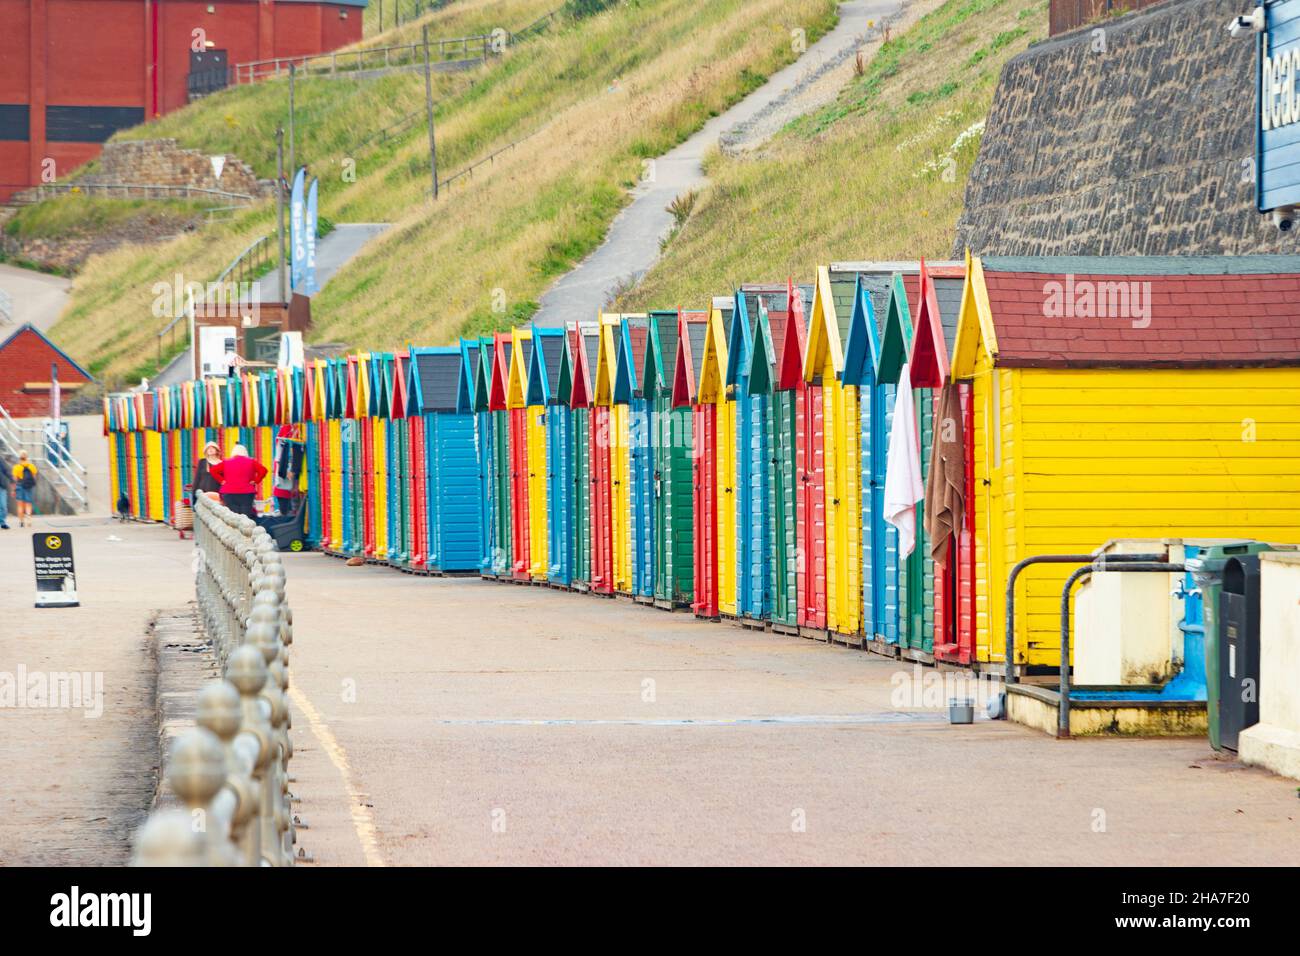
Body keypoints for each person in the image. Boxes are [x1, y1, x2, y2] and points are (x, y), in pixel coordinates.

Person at [209, 444, 268, 519]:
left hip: (229, 493)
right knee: (246, 516)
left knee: (233, 516)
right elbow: (264, 470)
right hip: (247, 492)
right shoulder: (251, 462)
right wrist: (256, 481)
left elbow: (213, 470)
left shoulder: (226, 462)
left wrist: (222, 480)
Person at [271, 425, 304, 516]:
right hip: (288, 487)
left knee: (287, 513)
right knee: (290, 512)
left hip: (284, 488)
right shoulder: (287, 446)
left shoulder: (281, 450)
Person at [12, 451, 37, 528]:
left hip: (19, 485)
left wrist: (13, 490)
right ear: (27, 457)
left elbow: (14, 479)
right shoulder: (32, 466)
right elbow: (34, 477)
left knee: (20, 505)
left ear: (19, 457)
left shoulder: (16, 467)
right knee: (28, 503)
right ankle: (29, 519)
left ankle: (21, 522)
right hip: (28, 486)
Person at [0, 458, 11, 530]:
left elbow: (6, 471)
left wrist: (12, 479)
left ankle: (2, 522)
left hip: (1, 486)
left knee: (3, 506)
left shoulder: (0, 460)